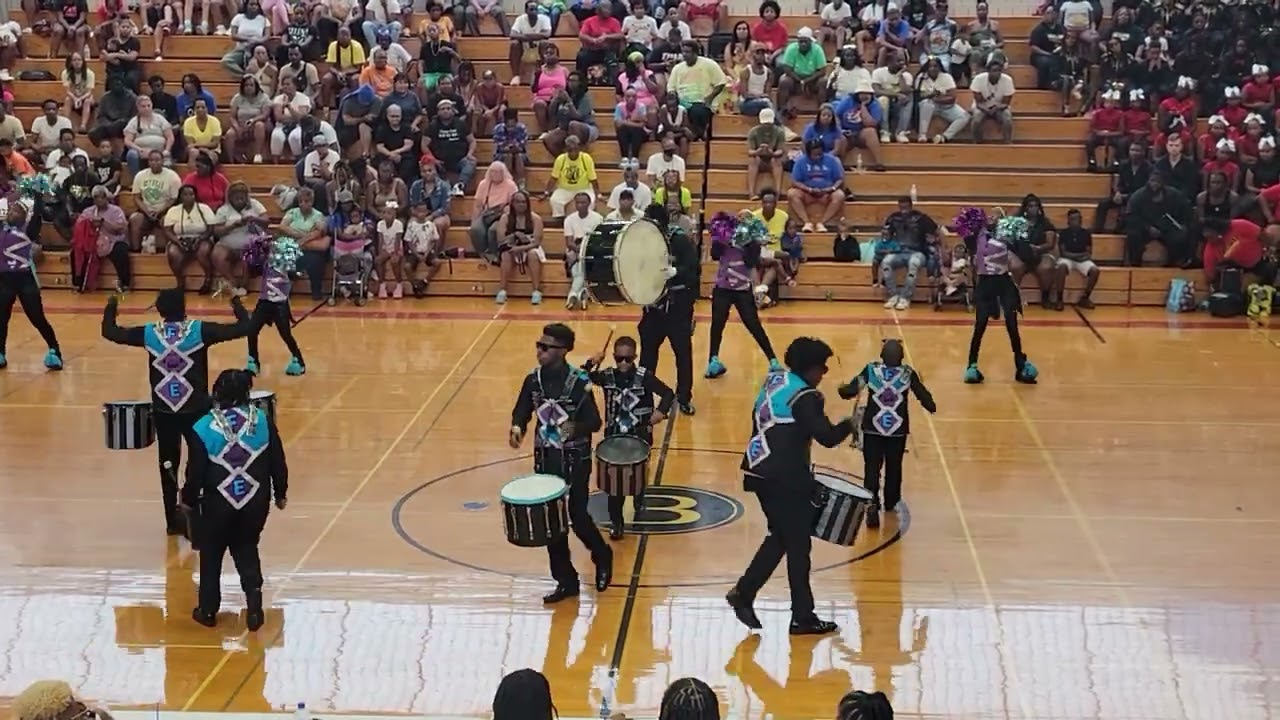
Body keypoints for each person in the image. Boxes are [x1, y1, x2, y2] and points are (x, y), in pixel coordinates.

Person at [101, 289, 253, 536]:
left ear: (160, 311)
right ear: (184, 309)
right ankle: (194, 508)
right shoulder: (199, 331)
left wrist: (111, 306)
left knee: (167, 463)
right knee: (200, 462)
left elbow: (110, 332)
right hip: (197, 409)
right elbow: (244, 328)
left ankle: (172, 521)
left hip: (164, 411)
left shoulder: (151, 334)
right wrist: (236, 303)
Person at [727, 336, 854, 635]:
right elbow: (827, 437)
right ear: (810, 368)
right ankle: (802, 617)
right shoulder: (806, 397)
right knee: (798, 547)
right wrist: (851, 423)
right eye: (822, 367)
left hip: (759, 470)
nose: (824, 373)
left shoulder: (777, 380)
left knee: (782, 537)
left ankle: (744, 593)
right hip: (782, 477)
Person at [508, 323, 614, 603]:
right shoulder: (533, 380)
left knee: (578, 517)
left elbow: (594, 421)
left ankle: (602, 555)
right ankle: (566, 580)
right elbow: (522, 409)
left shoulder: (580, 383)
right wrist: (517, 427)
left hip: (575, 459)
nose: (539, 351)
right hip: (546, 458)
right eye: (538, 346)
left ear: (563, 351)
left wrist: (575, 428)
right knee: (551, 522)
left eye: (546, 347)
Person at [181, 369, 288, 630]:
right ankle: (254, 605)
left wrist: (189, 500)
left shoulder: (203, 427)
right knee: (247, 547)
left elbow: (196, 471)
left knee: (211, 554)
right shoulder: (262, 421)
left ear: (217, 393)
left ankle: (207, 610)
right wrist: (281, 492)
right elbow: (277, 460)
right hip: (254, 502)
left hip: (217, 504)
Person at [583, 335, 675, 539]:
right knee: (615, 486)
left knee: (637, 476)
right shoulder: (606, 376)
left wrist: (660, 412)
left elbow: (668, 393)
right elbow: (579, 379)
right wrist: (591, 363)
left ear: (635, 356)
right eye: (619, 358)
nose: (623, 363)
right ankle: (617, 523)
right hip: (614, 439)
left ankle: (639, 499)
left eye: (627, 359)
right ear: (614, 357)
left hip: (639, 435)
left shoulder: (645, 377)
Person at [838, 339, 936, 529]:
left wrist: (842, 390)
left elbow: (851, 390)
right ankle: (891, 500)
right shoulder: (908, 374)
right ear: (901, 358)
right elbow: (922, 394)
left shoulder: (871, 370)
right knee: (894, 466)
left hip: (872, 428)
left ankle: (871, 502)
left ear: (882, 356)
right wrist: (931, 405)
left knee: (872, 467)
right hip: (897, 431)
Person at [959, 211, 1039, 385]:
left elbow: (1027, 255)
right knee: (980, 325)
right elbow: (966, 238)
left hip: (1003, 283)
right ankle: (972, 365)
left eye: (997, 215)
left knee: (1012, 324)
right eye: (990, 215)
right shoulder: (977, 236)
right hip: (985, 284)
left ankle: (1020, 365)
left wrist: (1021, 238)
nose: (992, 217)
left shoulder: (1007, 236)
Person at [637, 203, 698, 415]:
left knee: (682, 353)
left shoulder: (679, 239)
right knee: (647, 356)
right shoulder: (642, 242)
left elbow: (693, 271)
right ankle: (643, 398)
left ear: (660, 223)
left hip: (677, 307)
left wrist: (676, 272)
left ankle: (684, 397)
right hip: (653, 308)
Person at [705, 213, 780, 380]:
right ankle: (713, 360)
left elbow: (752, 266)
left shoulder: (751, 244)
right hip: (723, 288)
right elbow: (715, 254)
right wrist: (721, 239)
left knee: (753, 324)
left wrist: (758, 289)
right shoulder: (722, 241)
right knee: (717, 324)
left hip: (742, 289)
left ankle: (773, 361)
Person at [0, 201, 63, 372]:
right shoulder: (1, 229)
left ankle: (54, 350)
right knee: (1, 319)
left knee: (37, 318)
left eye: (17, 210)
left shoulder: (28, 230)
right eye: (11, 209)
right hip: (4, 281)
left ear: (24, 215)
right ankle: (0, 353)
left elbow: (37, 215)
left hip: (25, 280)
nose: (12, 212)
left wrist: (38, 194)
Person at [247, 239, 307, 377]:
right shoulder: (266, 264)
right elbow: (254, 269)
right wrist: (256, 251)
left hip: (280, 305)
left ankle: (299, 360)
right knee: (251, 330)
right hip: (264, 303)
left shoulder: (288, 268)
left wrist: (296, 271)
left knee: (285, 334)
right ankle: (253, 360)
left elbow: (295, 274)